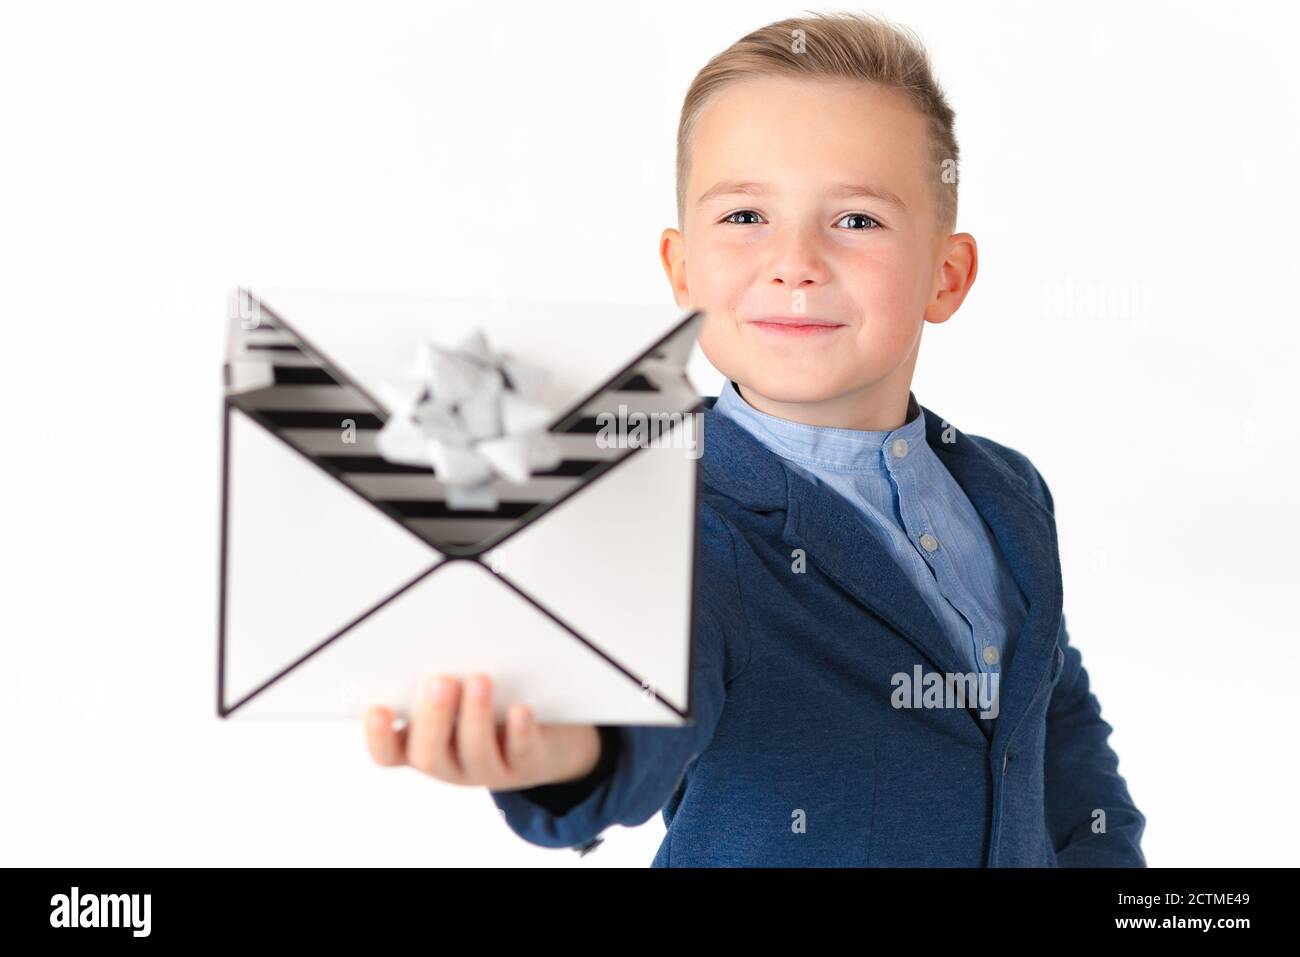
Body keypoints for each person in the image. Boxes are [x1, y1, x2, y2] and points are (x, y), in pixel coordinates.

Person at [362, 11, 1146, 867]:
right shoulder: (674, 512)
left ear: (945, 274)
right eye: (744, 216)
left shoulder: (1008, 490)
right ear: (681, 269)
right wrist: (568, 753)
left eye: (856, 220)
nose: (794, 261)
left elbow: (1054, 715)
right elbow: (653, 692)